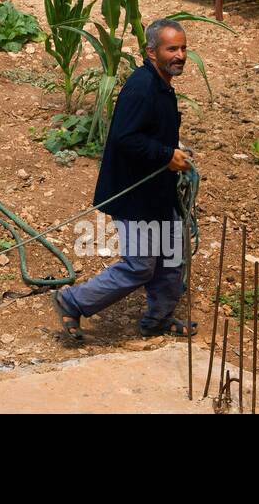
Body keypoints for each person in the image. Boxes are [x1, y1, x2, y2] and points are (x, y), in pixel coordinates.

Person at [52, 18, 196, 341]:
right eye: (172, 48)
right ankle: (71, 301)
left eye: (183, 48)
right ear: (151, 51)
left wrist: (174, 151)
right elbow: (124, 139)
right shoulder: (141, 87)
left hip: (158, 191)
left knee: (172, 257)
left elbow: (150, 133)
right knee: (140, 266)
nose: (180, 55)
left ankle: (158, 318)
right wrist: (165, 155)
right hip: (134, 195)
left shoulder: (162, 85)